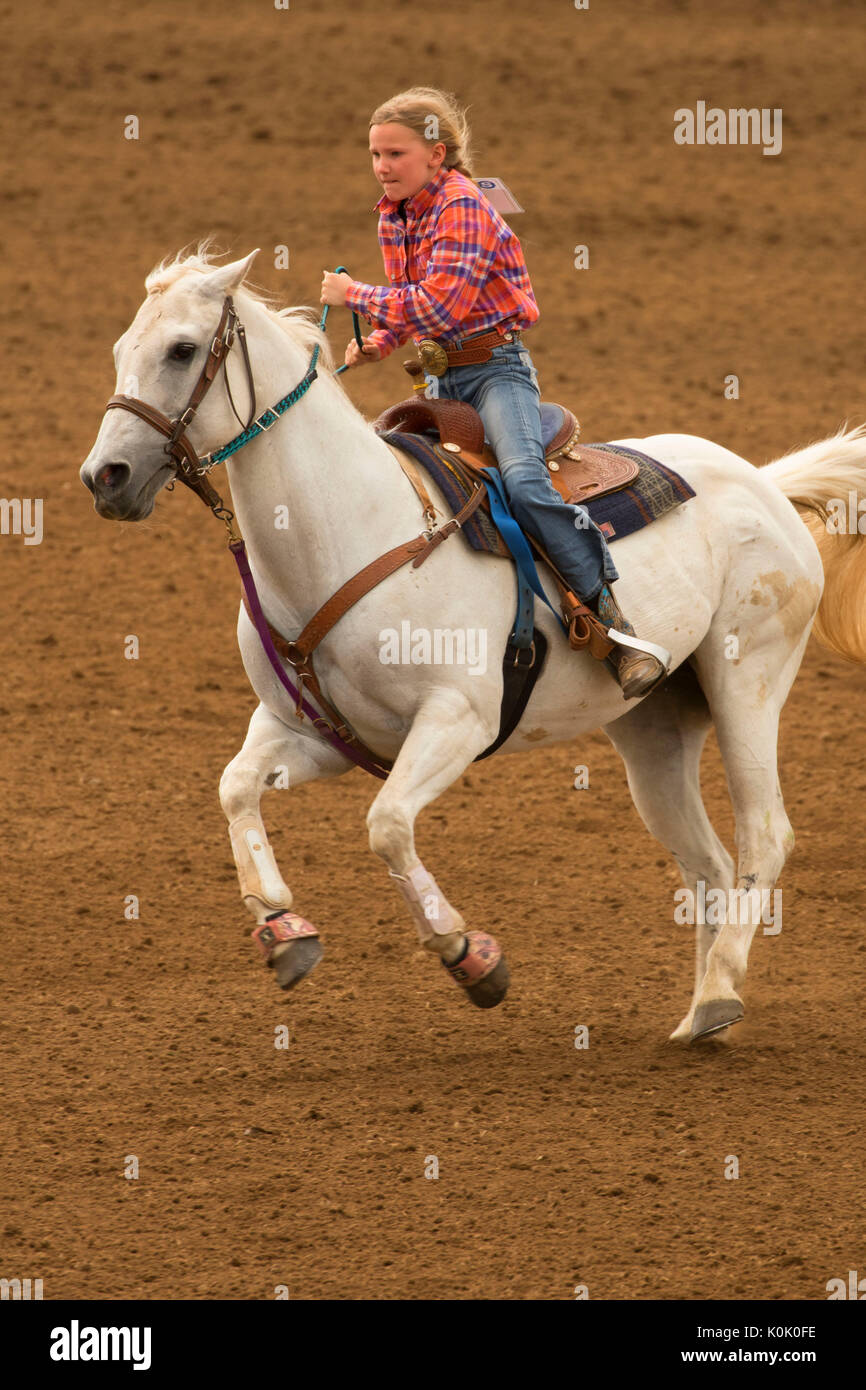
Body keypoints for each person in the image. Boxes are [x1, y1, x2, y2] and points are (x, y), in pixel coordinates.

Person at [320, 86, 669, 699]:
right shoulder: (393, 213)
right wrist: (379, 340)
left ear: (437, 153)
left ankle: (611, 625)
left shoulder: (463, 208)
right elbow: (413, 305)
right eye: (374, 153)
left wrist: (356, 296)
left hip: (495, 374)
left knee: (528, 485)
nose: (381, 166)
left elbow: (440, 303)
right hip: (437, 377)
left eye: (395, 153)